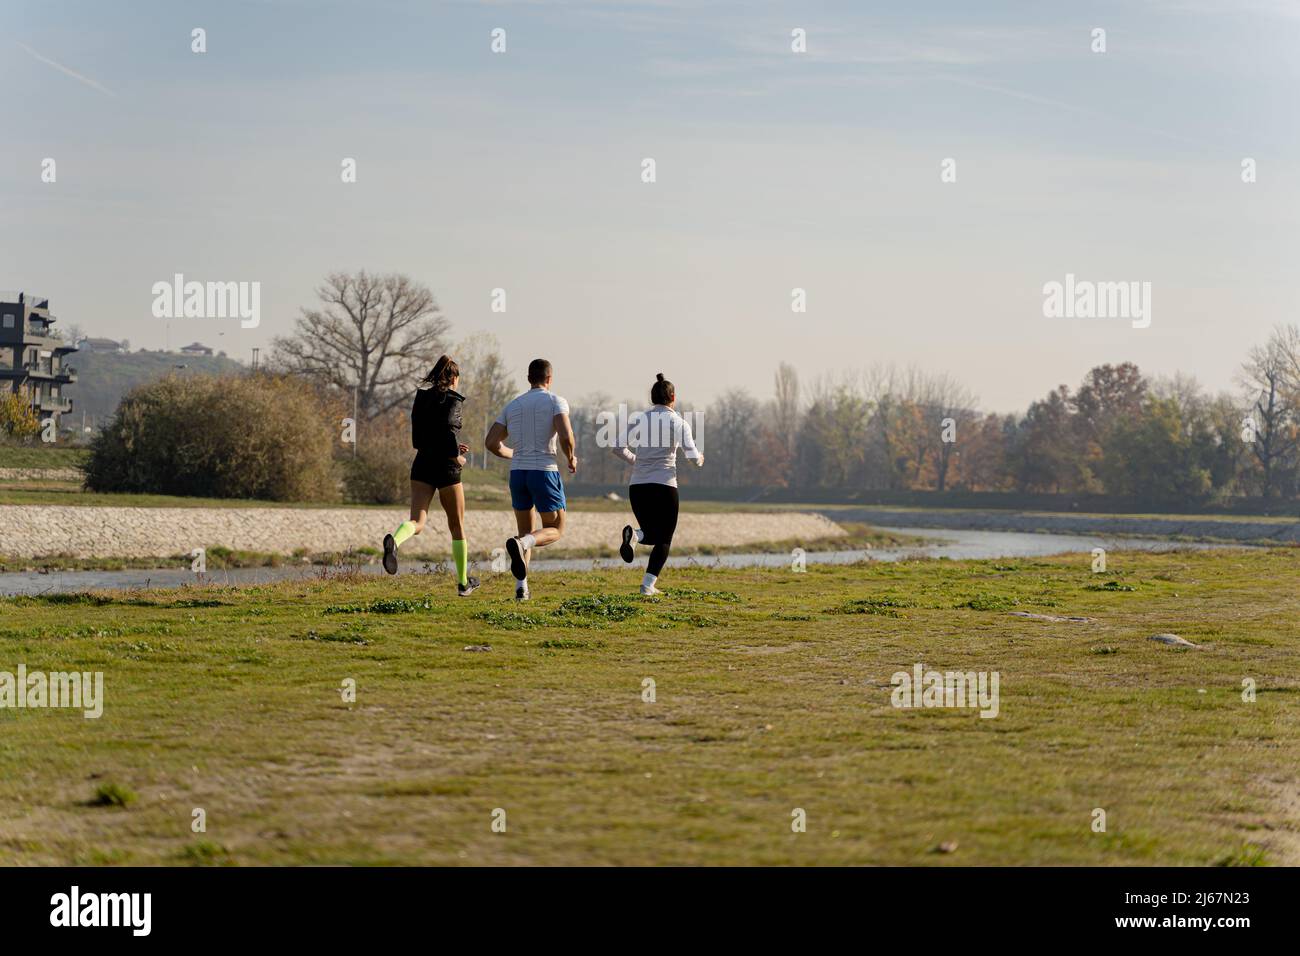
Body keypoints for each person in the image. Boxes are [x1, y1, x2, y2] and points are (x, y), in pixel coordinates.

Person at [382, 354, 479, 596]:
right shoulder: (453, 399)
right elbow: (447, 427)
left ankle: (395, 541)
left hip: (422, 463)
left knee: (418, 522)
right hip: (447, 468)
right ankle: (462, 582)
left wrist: (454, 447)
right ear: (454, 377)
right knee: (457, 526)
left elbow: (420, 438)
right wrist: (457, 456)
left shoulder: (421, 398)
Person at [484, 358, 577, 601]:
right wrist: (571, 457)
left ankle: (521, 589)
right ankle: (523, 543)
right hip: (543, 471)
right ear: (549, 379)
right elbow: (566, 435)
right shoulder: (556, 401)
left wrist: (513, 454)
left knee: (525, 530)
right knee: (555, 528)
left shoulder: (513, 405)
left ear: (528, 379)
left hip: (517, 474)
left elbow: (491, 443)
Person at [610, 373, 703, 595]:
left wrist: (637, 460)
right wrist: (700, 458)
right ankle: (647, 585)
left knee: (651, 533)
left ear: (652, 398)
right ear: (673, 397)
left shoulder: (639, 419)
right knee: (664, 538)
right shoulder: (679, 423)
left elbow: (617, 447)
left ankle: (634, 535)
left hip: (638, 486)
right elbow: (692, 458)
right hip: (664, 485)